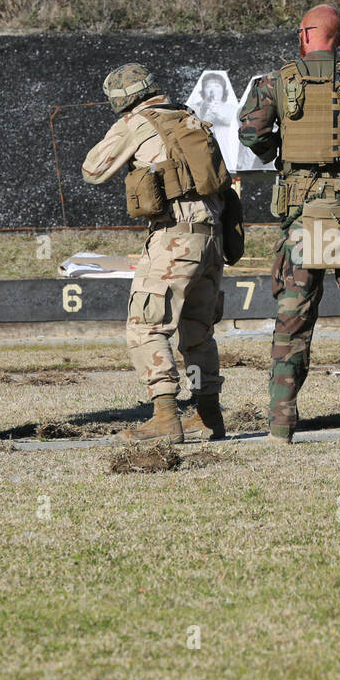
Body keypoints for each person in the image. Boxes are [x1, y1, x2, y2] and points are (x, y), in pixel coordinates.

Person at [238, 3, 340, 443]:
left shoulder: (274, 81)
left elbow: (251, 133)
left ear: (304, 34)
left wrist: (282, 148)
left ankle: (280, 426)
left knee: (292, 319)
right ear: (338, 37)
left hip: (299, 215)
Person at [83, 63, 230, 442]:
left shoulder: (137, 122)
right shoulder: (190, 119)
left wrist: (126, 129)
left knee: (146, 326)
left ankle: (165, 417)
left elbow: (93, 170)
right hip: (211, 238)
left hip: (175, 239)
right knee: (197, 332)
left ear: (121, 100)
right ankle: (208, 416)